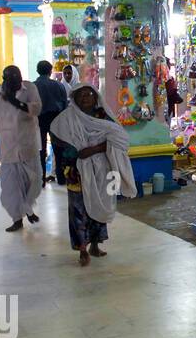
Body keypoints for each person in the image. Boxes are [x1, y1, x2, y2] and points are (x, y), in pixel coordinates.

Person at [50, 85, 136, 267]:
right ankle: (82, 248)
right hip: (75, 170)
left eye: (89, 94)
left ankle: (95, 244)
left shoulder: (103, 116)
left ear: (95, 97)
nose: (85, 98)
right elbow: (56, 134)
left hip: (102, 168)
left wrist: (93, 149)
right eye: (81, 95)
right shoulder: (67, 118)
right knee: (78, 209)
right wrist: (73, 148)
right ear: (74, 98)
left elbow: (120, 140)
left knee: (100, 201)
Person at [0, 66, 43, 232]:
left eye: (18, 79)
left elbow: (37, 108)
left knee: (34, 182)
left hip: (29, 146)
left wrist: (15, 101)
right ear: (4, 80)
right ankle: (17, 219)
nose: (16, 83)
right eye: (12, 80)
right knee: (11, 186)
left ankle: (28, 208)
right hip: (8, 147)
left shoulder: (30, 88)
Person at [34, 60, 68, 184]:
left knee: (40, 149)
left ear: (37, 71)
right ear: (50, 71)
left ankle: (41, 178)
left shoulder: (33, 86)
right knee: (58, 149)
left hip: (39, 120)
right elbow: (65, 104)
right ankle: (61, 177)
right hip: (56, 119)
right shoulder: (59, 85)